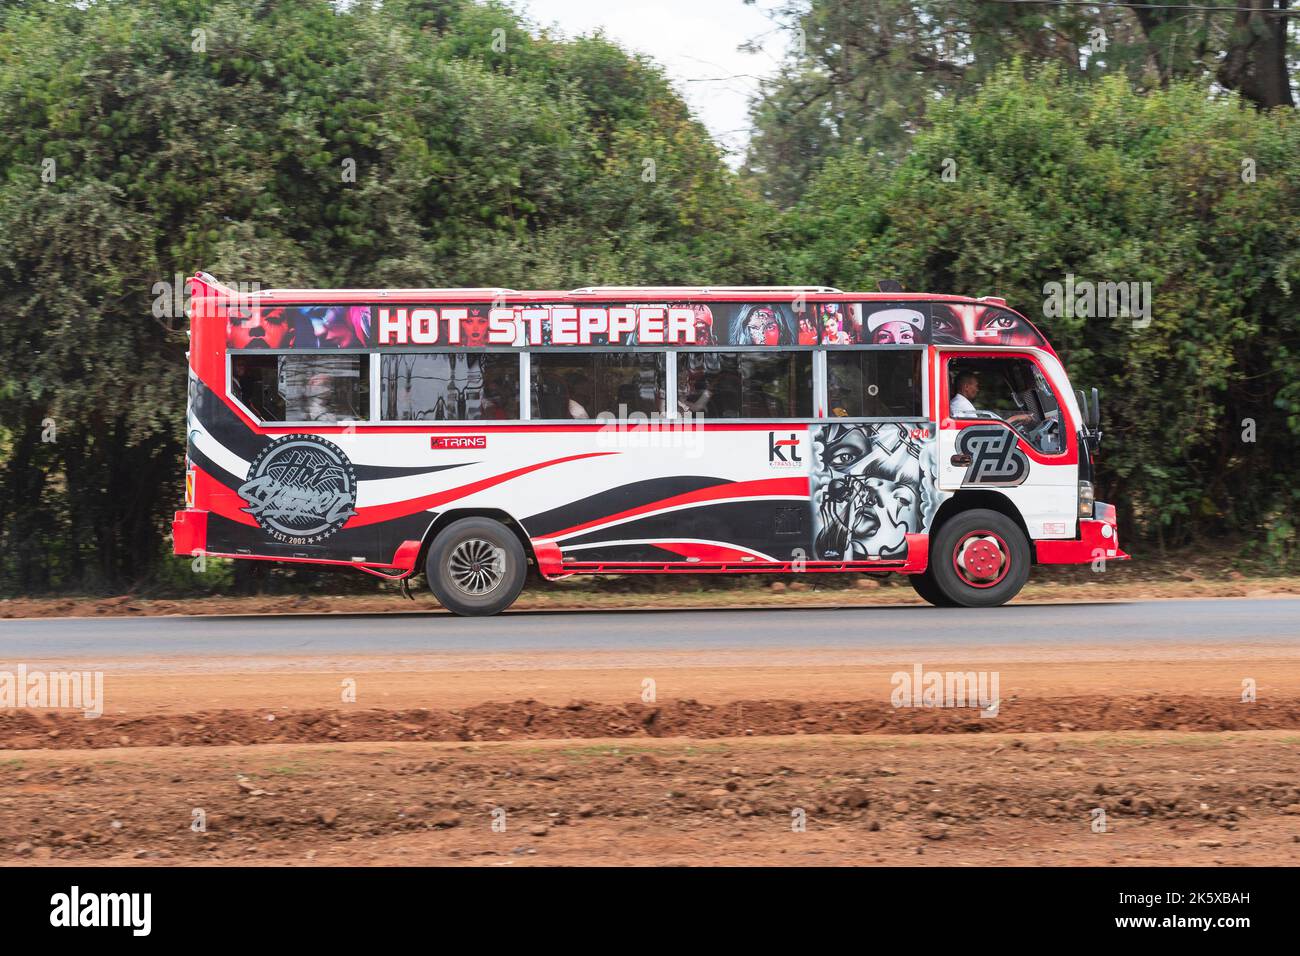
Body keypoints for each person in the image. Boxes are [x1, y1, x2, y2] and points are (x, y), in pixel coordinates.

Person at [950, 371, 1031, 425]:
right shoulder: (960, 404)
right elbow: (982, 430)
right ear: (966, 387)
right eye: (976, 386)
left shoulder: (961, 402)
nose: (978, 389)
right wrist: (1015, 418)